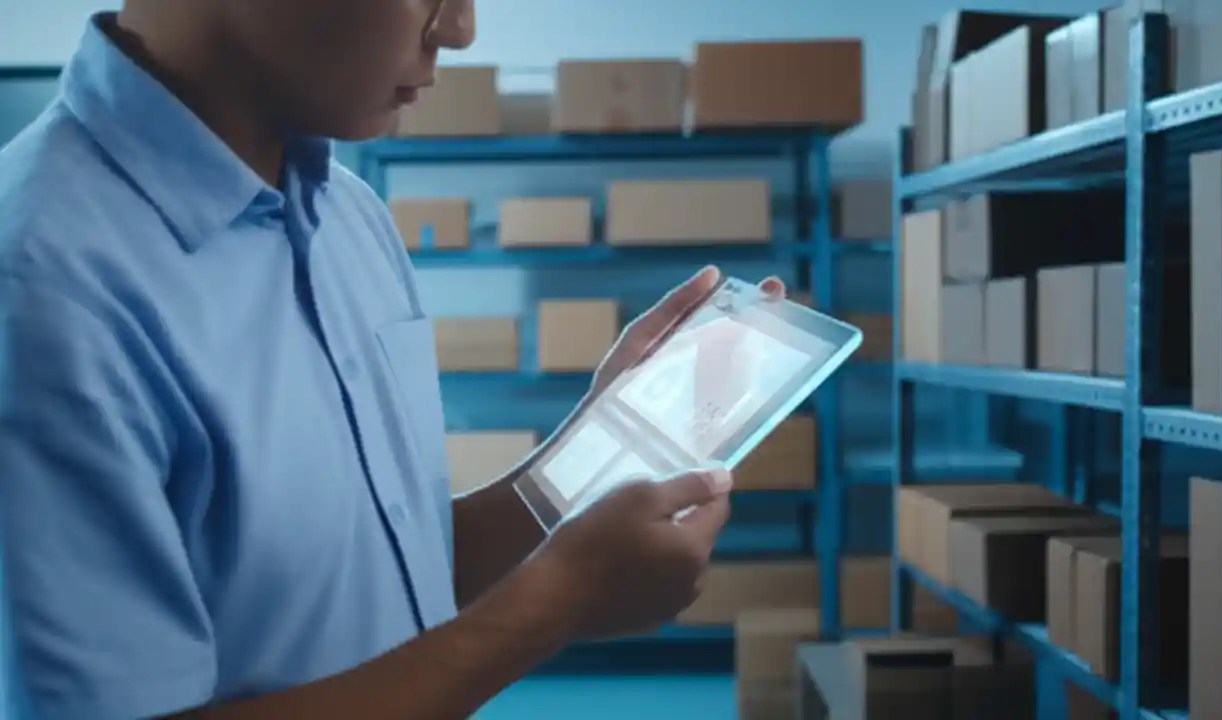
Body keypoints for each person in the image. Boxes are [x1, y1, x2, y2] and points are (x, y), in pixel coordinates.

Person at [0, 1, 787, 718]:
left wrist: (593, 451)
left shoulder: (349, 218)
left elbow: (386, 570)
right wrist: (552, 608)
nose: (461, 28)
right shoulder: (44, 287)